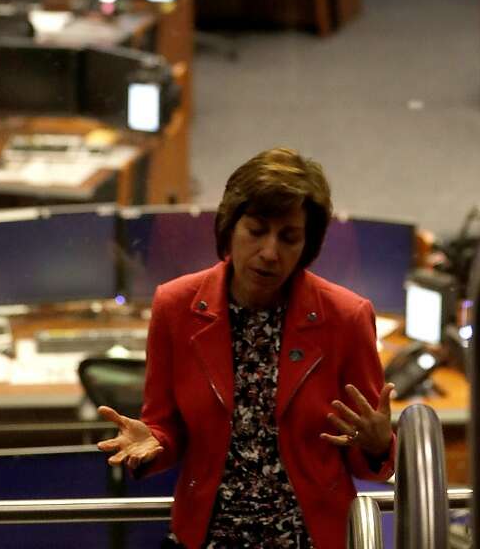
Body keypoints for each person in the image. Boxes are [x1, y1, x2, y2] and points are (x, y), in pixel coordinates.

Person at [98, 147, 396, 549]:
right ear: (230, 227)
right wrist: (153, 441)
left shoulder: (346, 317)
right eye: (256, 231)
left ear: (306, 246)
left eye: (289, 238)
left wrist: (378, 446)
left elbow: (368, 461)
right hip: (209, 536)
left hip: (308, 537)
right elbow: (166, 428)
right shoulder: (176, 305)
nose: (270, 253)